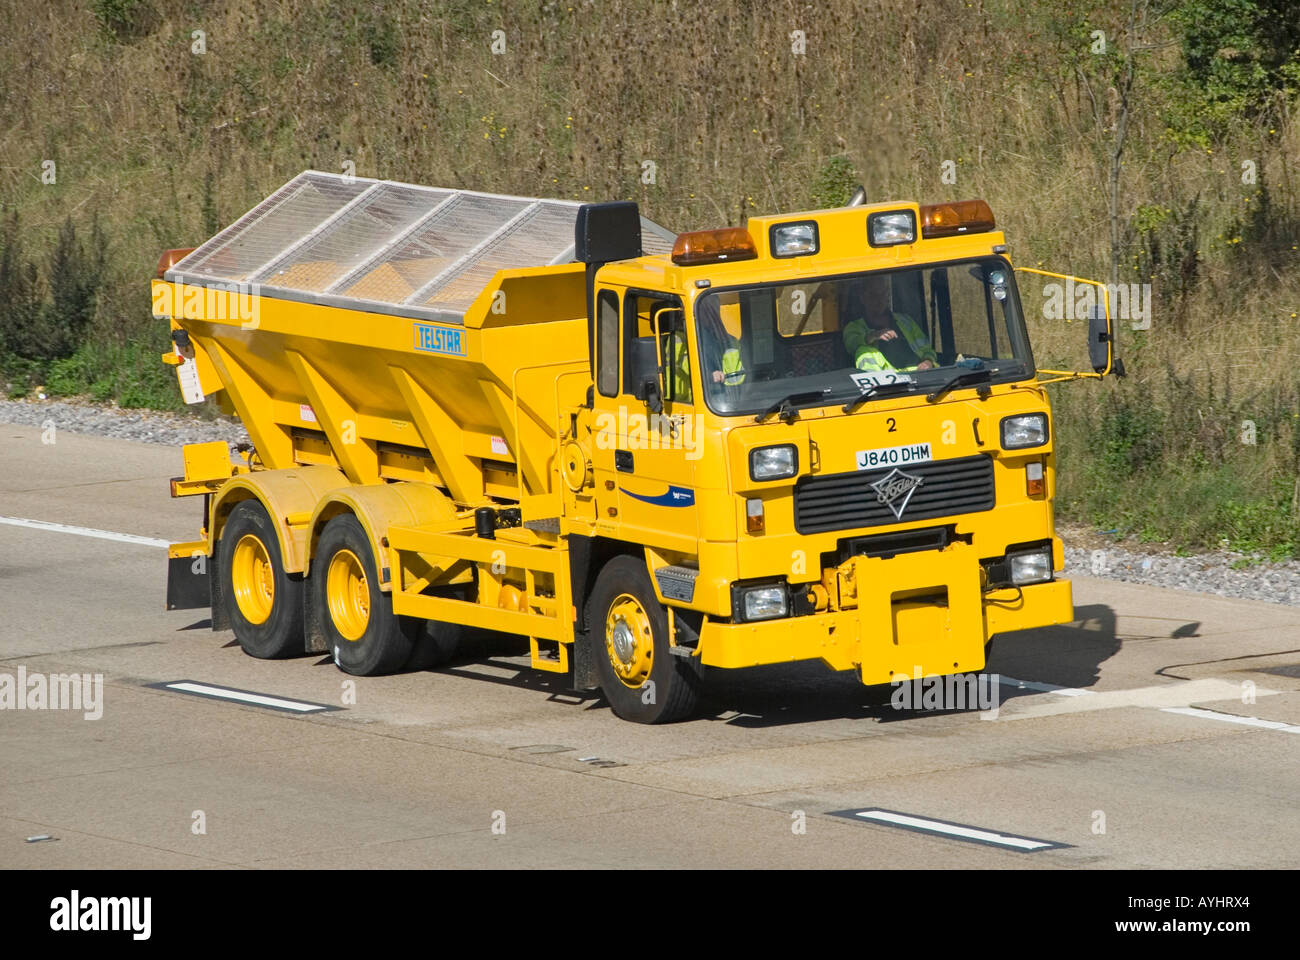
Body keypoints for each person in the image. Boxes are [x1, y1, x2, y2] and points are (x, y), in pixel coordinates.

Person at [841, 274, 937, 373]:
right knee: (862, 351)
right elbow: (852, 344)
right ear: (863, 297)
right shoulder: (854, 327)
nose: (879, 299)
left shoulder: (905, 320)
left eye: (883, 294)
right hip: (886, 384)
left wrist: (928, 361)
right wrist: (873, 336)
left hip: (919, 377)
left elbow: (927, 349)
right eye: (873, 295)